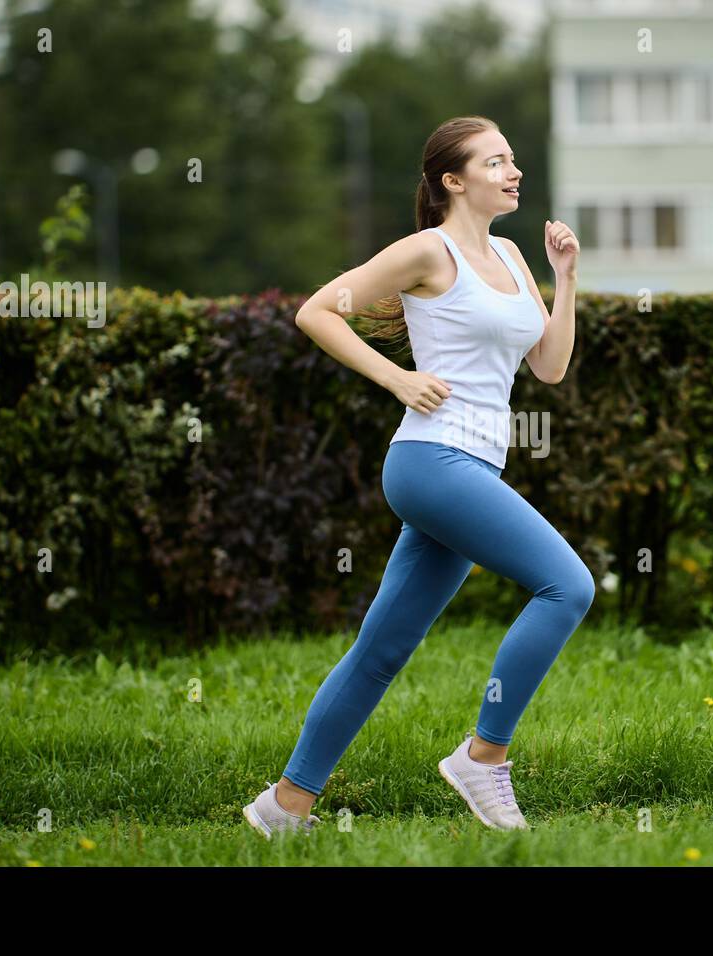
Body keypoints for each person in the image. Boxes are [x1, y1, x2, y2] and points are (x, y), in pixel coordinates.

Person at [243, 115, 591, 838]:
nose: (514, 171)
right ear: (453, 181)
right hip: (432, 461)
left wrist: (565, 279)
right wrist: (398, 378)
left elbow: (550, 367)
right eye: (497, 162)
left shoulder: (513, 256)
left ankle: (285, 808)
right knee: (568, 586)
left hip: (469, 465)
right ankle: (483, 755)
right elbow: (318, 312)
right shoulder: (426, 252)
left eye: (514, 160)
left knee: (381, 650)